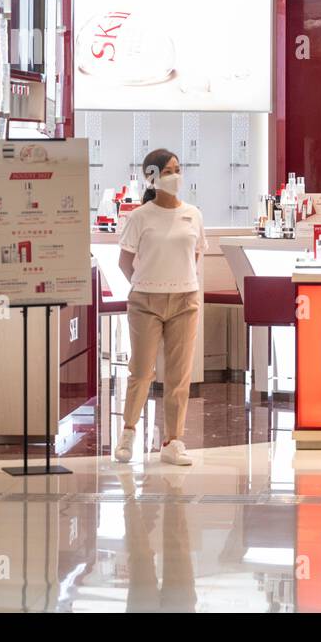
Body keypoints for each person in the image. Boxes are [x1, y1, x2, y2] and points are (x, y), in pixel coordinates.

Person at [114, 148, 207, 466]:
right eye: (168, 171)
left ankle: (173, 440)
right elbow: (124, 261)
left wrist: (179, 281)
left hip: (185, 300)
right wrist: (142, 285)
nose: (175, 176)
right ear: (151, 176)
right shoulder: (141, 216)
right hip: (145, 302)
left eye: (178, 169)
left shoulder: (193, 214)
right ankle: (127, 433)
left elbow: (195, 254)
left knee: (179, 374)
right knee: (141, 371)